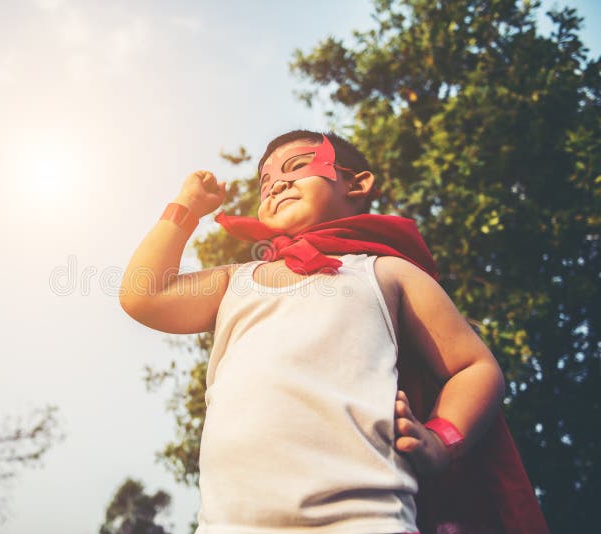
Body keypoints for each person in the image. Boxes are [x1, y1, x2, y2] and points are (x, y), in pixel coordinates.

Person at [119, 130, 548, 533]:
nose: (275, 184)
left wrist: (442, 439)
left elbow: (473, 366)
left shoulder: (385, 272)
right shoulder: (239, 280)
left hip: (367, 518)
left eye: (297, 166)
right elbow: (144, 295)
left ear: (356, 184)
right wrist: (185, 209)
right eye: (265, 181)